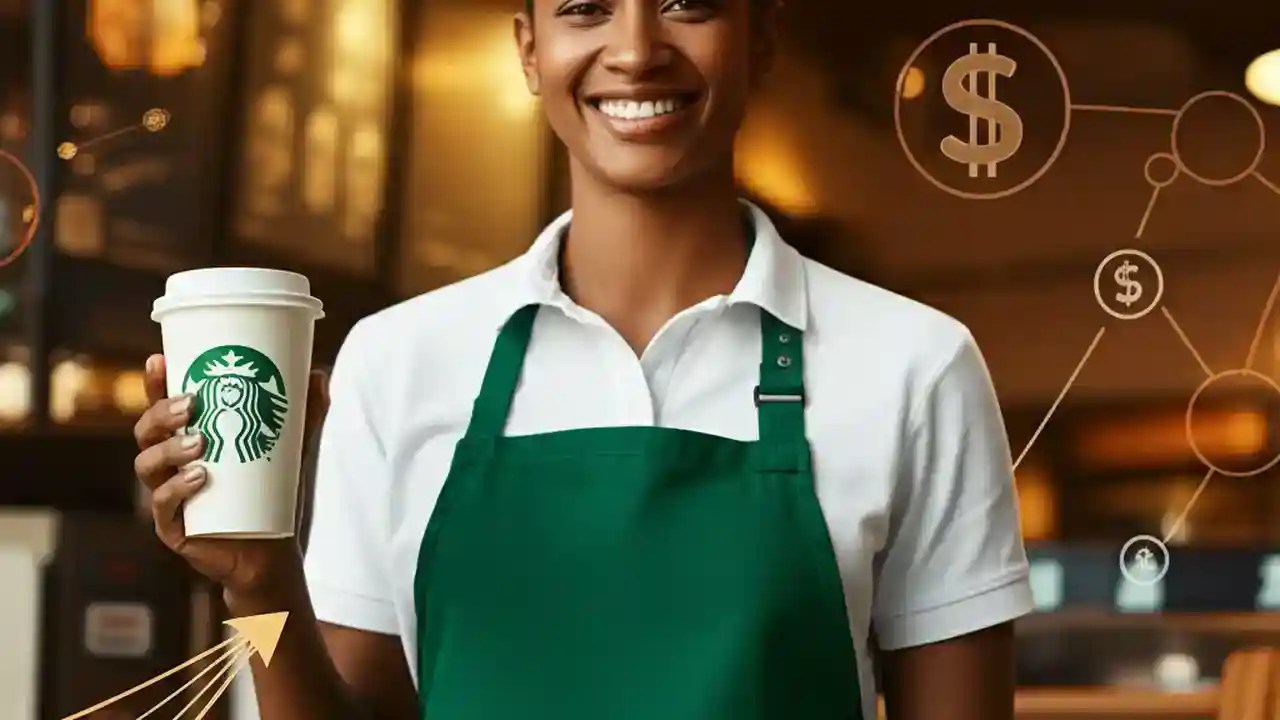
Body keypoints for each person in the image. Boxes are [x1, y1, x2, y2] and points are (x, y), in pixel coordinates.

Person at [133, 0, 1033, 718]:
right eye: (586, 8)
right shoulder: (399, 359)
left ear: (761, 38)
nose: (637, 50)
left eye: (687, 4)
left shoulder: (916, 366)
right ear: (530, 50)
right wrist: (258, 585)